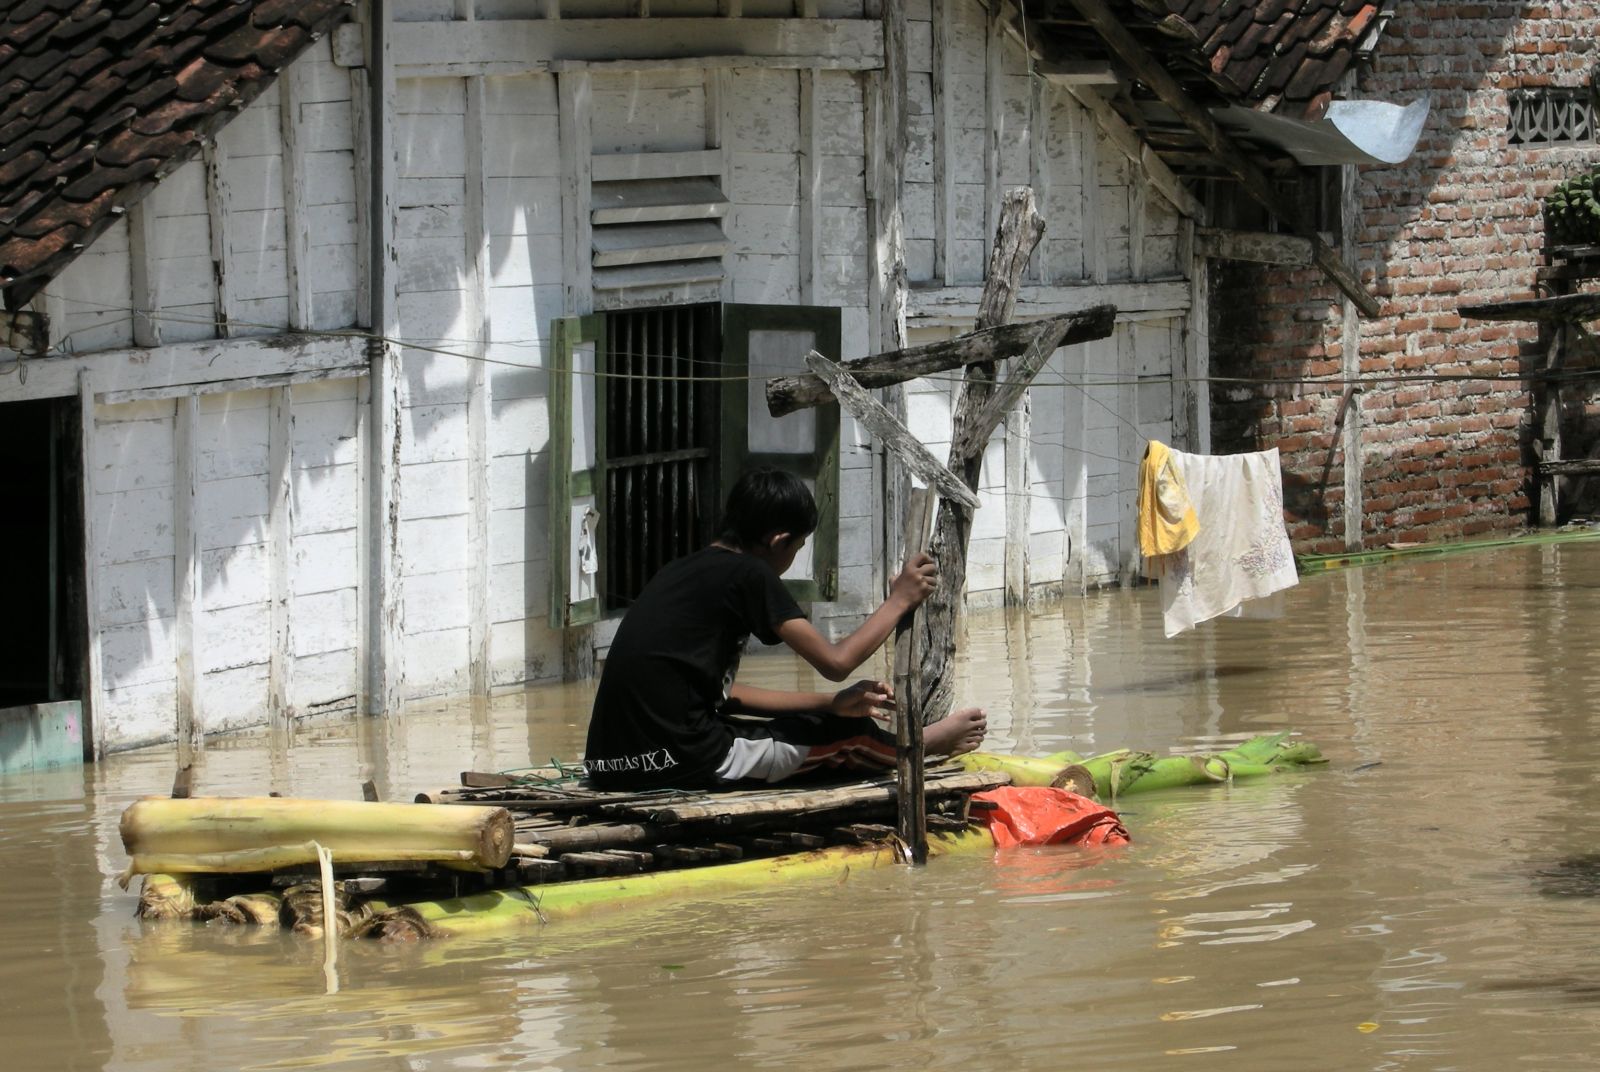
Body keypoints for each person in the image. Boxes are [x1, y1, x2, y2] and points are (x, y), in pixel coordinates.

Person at [583, 468, 987, 791]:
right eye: (796, 548)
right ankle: (925, 742)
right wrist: (900, 600)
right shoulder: (750, 573)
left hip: (610, 762)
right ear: (778, 540)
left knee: (819, 722)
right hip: (680, 759)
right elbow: (836, 662)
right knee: (852, 736)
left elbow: (725, 696)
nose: (792, 558)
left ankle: (884, 732)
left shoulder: (681, 570)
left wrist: (828, 703)